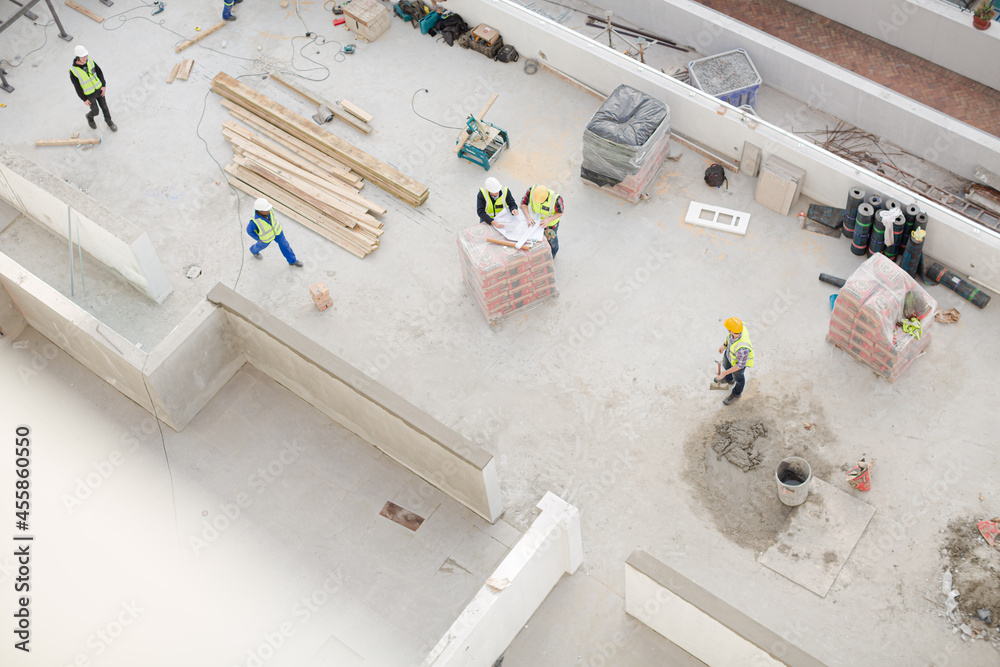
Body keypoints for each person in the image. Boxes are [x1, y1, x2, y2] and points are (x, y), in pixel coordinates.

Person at [69, 46, 116, 132]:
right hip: (89, 94)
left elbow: (99, 72)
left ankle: (109, 122)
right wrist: (84, 99)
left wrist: (103, 85)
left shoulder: (89, 61)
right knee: (95, 111)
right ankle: (89, 117)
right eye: (83, 57)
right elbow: (77, 87)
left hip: (99, 89)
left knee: (104, 107)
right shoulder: (73, 71)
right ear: (77, 57)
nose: (85, 58)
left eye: (86, 55)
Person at [247, 198, 303, 267]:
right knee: (259, 246)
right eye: (266, 210)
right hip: (265, 238)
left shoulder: (269, 210)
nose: (268, 211)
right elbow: (249, 231)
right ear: (259, 211)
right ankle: (253, 251)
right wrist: (258, 239)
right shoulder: (254, 221)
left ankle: (292, 261)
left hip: (278, 233)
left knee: (285, 246)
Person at [716, 317, 755, 406]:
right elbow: (729, 337)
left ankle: (736, 394)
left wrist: (724, 373)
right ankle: (729, 380)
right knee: (726, 365)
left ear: (731, 331)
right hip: (730, 355)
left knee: (739, 378)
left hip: (737, 365)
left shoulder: (743, 348)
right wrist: (724, 345)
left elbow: (739, 365)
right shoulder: (740, 327)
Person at [520, 184, 564, 257]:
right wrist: (528, 217)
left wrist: (548, 220)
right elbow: (523, 204)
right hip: (536, 221)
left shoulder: (556, 199)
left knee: (552, 242)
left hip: (550, 225)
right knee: (535, 240)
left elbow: (560, 212)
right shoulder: (531, 191)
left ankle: (552, 255)